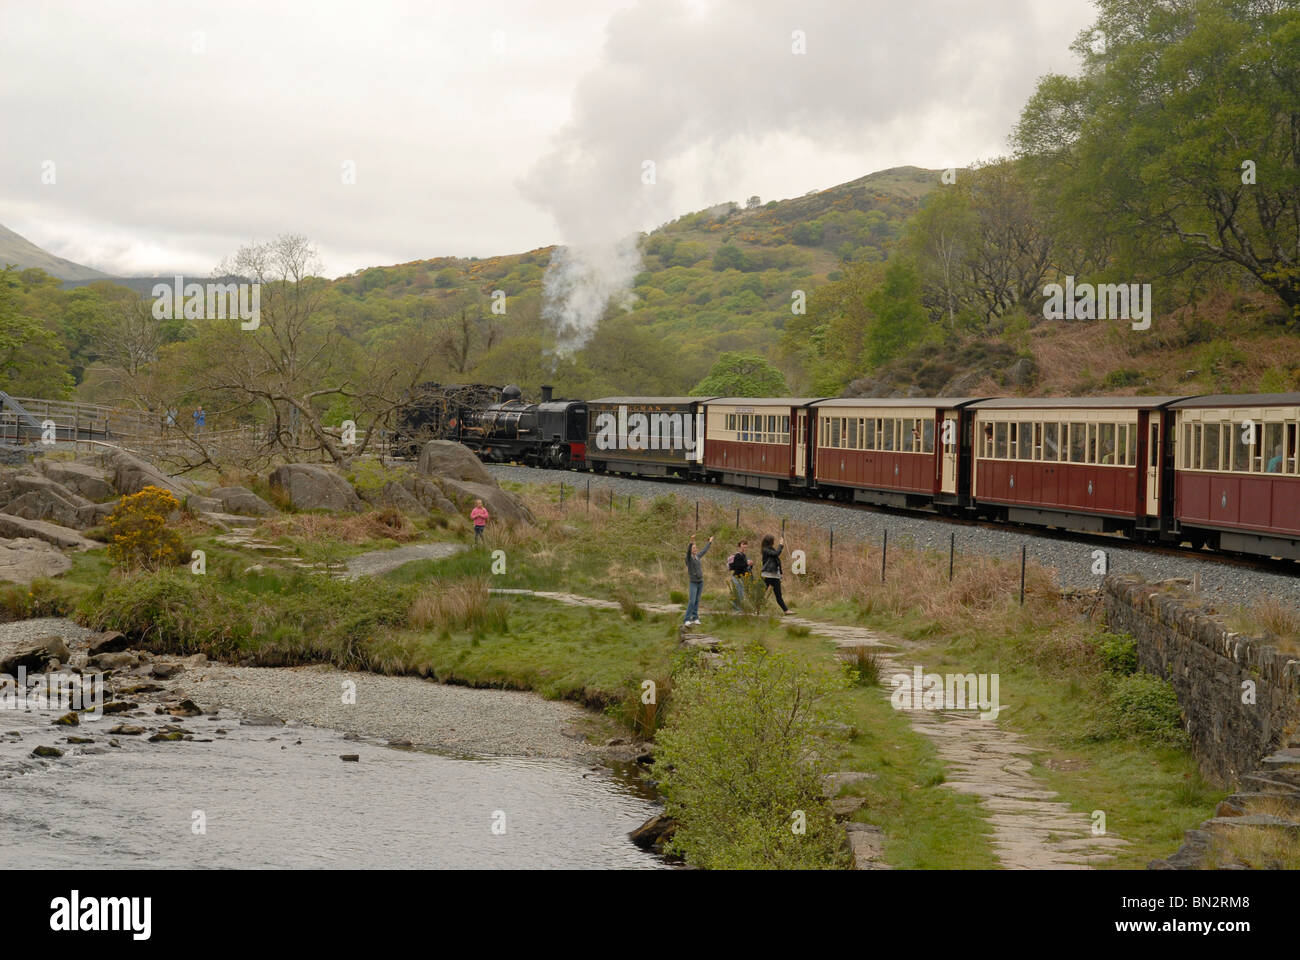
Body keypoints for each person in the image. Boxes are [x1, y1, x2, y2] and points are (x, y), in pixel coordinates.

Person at [683, 533, 712, 627]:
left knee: (696, 601)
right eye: (694, 548)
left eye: (696, 548)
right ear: (691, 550)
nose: (696, 549)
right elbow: (687, 552)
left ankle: (695, 618)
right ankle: (687, 619)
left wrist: (709, 542)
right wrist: (691, 541)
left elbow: (704, 551)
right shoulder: (689, 559)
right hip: (693, 582)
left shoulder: (697, 557)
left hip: (700, 582)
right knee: (692, 601)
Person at [760, 533, 790, 614]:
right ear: (770, 541)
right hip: (767, 575)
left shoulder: (771, 549)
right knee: (761, 594)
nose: (774, 541)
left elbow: (777, 561)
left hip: (775, 575)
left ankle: (786, 610)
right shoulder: (765, 550)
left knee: (778, 594)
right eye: (772, 540)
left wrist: (780, 572)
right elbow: (776, 554)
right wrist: (781, 545)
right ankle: (757, 609)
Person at [727, 539, 750, 613]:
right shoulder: (737, 555)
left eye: (745, 545)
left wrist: (750, 565)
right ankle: (736, 609)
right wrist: (747, 564)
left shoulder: (744, 555)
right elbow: (738, 566)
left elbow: (744, 567)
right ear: (740, 546)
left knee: (741, 594)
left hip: (741, 577)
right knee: (738, 593)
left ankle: (738, 608)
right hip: (736, 577)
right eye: (743, 545)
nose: (744, 547)